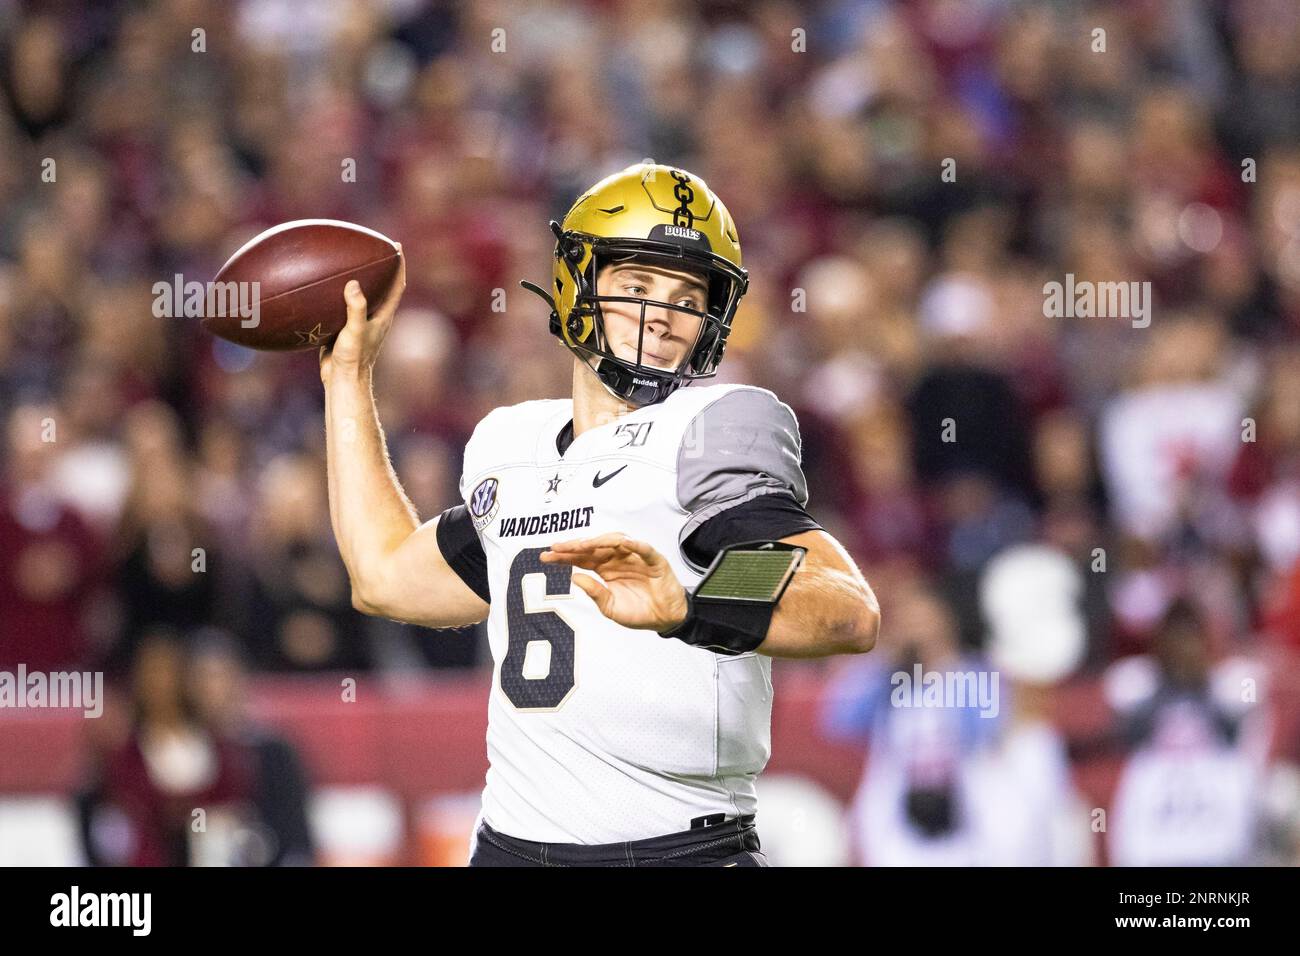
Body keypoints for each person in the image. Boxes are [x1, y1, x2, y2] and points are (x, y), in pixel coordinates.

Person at [320, 163, 881, 867]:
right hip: (510, 850)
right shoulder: (514, 445)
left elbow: (846, 608)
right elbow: (385, 578)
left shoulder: (704, 432)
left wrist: (691, 605)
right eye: (637, 287)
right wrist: (346, 380)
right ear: (577, 282)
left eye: (686, 297)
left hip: (677, 851)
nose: (662, 318)